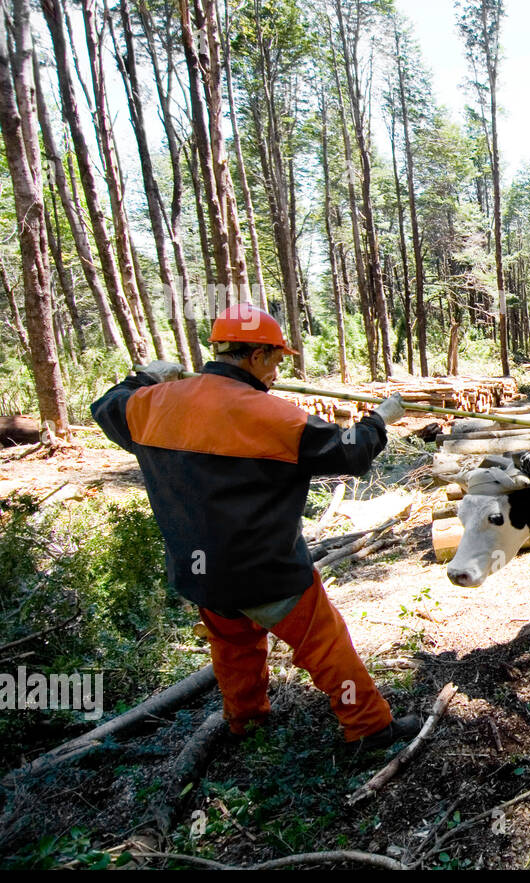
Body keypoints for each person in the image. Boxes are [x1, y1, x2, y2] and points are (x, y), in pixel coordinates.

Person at [91, 303, 422, 752]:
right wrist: (379, 420)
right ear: (257, 356)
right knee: (324, 646)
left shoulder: (149, 405)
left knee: (233, 649)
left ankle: (246, 724)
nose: (276, 371)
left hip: (201, 574)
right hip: (267, 571)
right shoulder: (274, 417)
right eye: (277, 360)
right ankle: (368, 727)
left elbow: (106, 406)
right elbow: (351, 453)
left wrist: (146, 377)